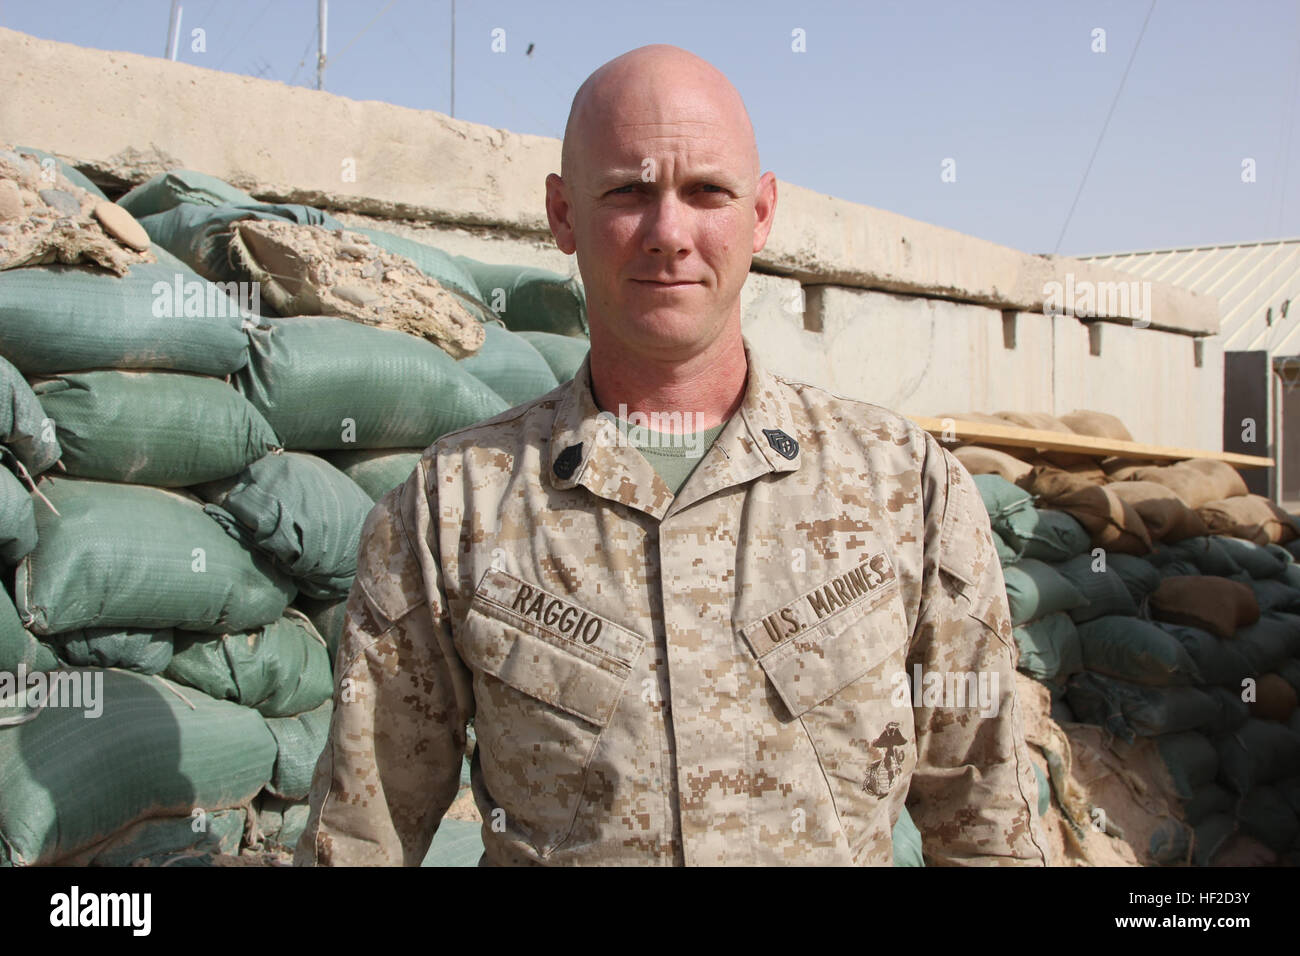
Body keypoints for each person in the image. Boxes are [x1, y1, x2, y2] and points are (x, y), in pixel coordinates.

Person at [296, 43, 1049, 866]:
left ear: (760, 214)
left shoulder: (905, 489)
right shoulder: (451, 510)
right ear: (562, 215)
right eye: (628, 191)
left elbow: (985, 825)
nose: (669, 234)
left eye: (707, 193)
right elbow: (362, 838)